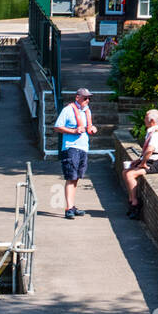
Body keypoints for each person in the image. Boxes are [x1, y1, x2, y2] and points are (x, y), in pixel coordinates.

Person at [52, 87, 96, 219]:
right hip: (71, 148)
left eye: (89, 98)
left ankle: (72, 206)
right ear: (77, 98)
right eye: (85, 98)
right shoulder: (68, 110)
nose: (87, 100)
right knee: (71, 177)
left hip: (83, 148)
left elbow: (88, 127)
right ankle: (69, 209)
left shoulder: (86, 111)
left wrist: (92, 128)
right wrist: (74, 131)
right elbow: (57, 127)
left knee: (76, 178)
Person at [123, 109, 158, 218]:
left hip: (157, 163)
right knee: (125, 172)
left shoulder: (156, 133)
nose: (144, 120)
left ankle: (135, 203)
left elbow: (149, 150)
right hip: (150, 160)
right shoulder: (151, 131)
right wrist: (138, 161)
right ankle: (131, 198)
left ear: (151, 120)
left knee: (130, 174)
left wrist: (143, 163)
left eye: (145, 118)